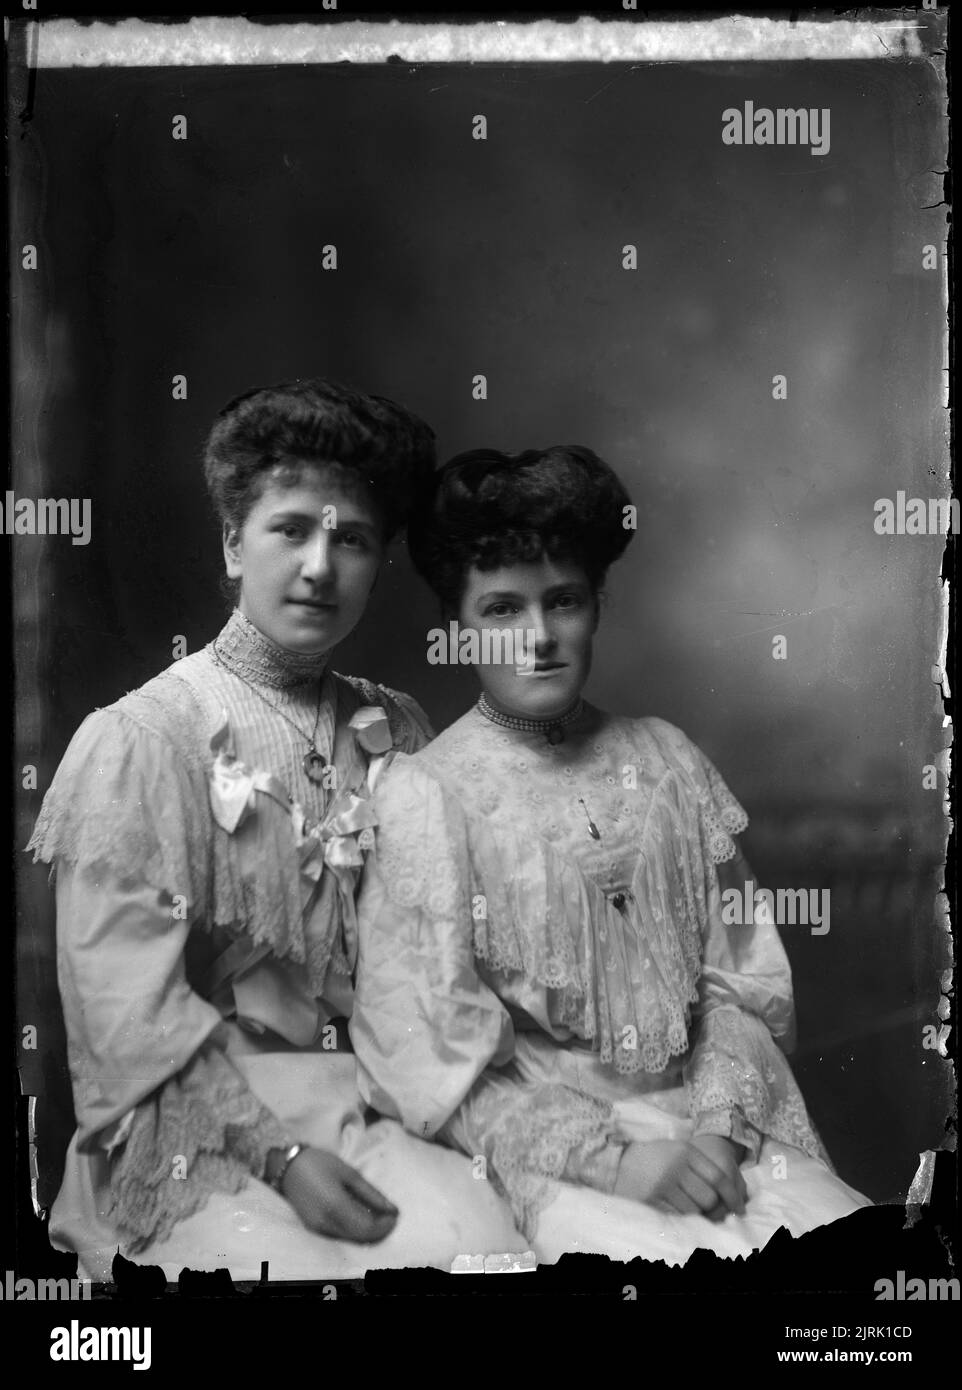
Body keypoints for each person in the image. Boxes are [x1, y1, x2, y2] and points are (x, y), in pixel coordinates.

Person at [27, 383, 526, 1282]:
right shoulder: (144, 741)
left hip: (376, 1112)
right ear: (232, 542)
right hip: (191, 1131)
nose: (321, 567)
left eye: (354, 539)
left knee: (490, 1256)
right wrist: (282, 1161)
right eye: (292, 529)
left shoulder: (396, 729)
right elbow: (123, 1020)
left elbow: (439, 972)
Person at [351, 445, 872, 1265]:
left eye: (562, 602)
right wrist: (618, 1161)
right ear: (457, 629)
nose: (538, 638)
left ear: (598, 605)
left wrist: (720, 1134)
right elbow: (426, 1056)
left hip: (713, 1123)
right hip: (563, 1156)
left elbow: (739, 981)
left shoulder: (666, 757)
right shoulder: (426, 795)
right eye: (501, 610)